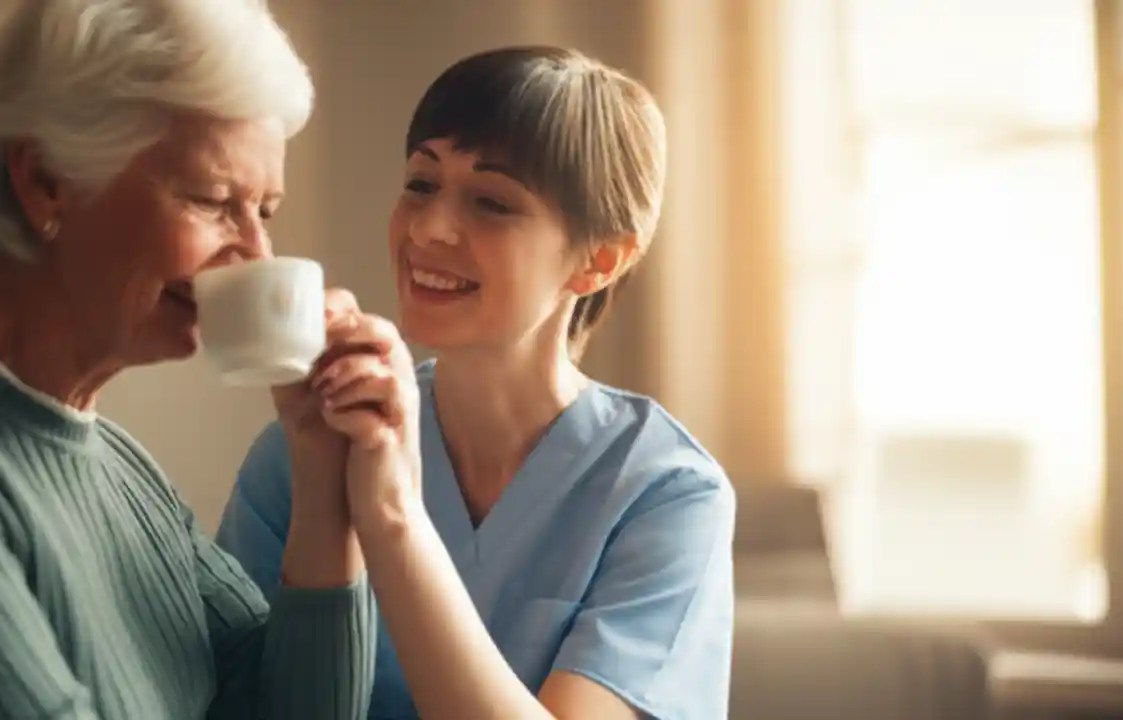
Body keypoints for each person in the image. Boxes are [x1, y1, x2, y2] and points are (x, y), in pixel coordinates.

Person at [219, 46, 736, 719]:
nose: (429, 228)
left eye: (492, 202)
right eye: (421, 184)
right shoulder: (303, 451)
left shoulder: (666, 494)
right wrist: (329, 493)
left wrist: (392, 519)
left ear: (599, 260)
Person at [0, 1, 375, 717]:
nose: (256, 256)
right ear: (47, 182)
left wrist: (326, 480)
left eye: (266, 212)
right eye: (215, 201)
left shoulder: (121, 466)